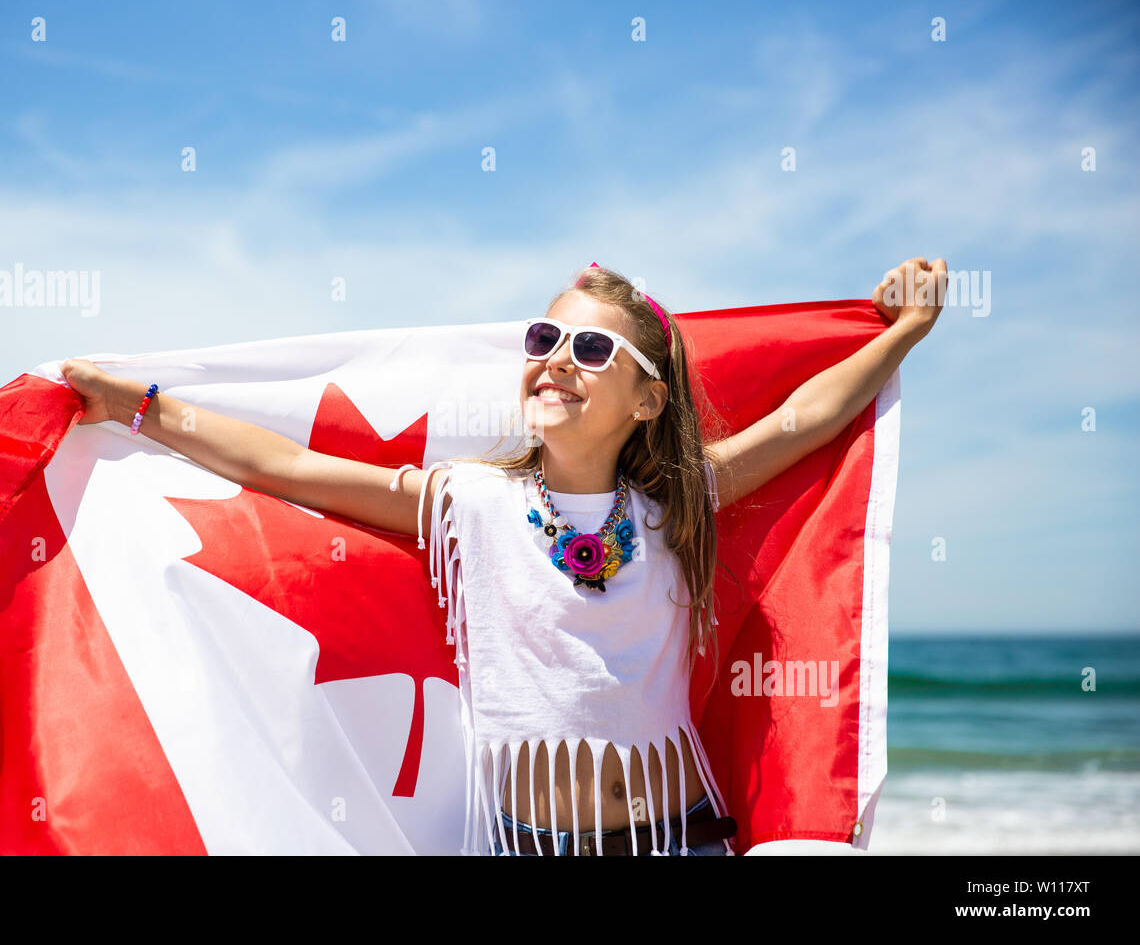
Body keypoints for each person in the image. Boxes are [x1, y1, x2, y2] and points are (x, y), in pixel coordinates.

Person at [60, 258, 945, 856]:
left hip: (680, 837)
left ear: (647, 399)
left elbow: (806, 420)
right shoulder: (469, 502)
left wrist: (903, 331)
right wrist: (137, 404)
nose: (558, 361)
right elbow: (285, 466)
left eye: (592, 349)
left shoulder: (677, 504)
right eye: (544, 341)